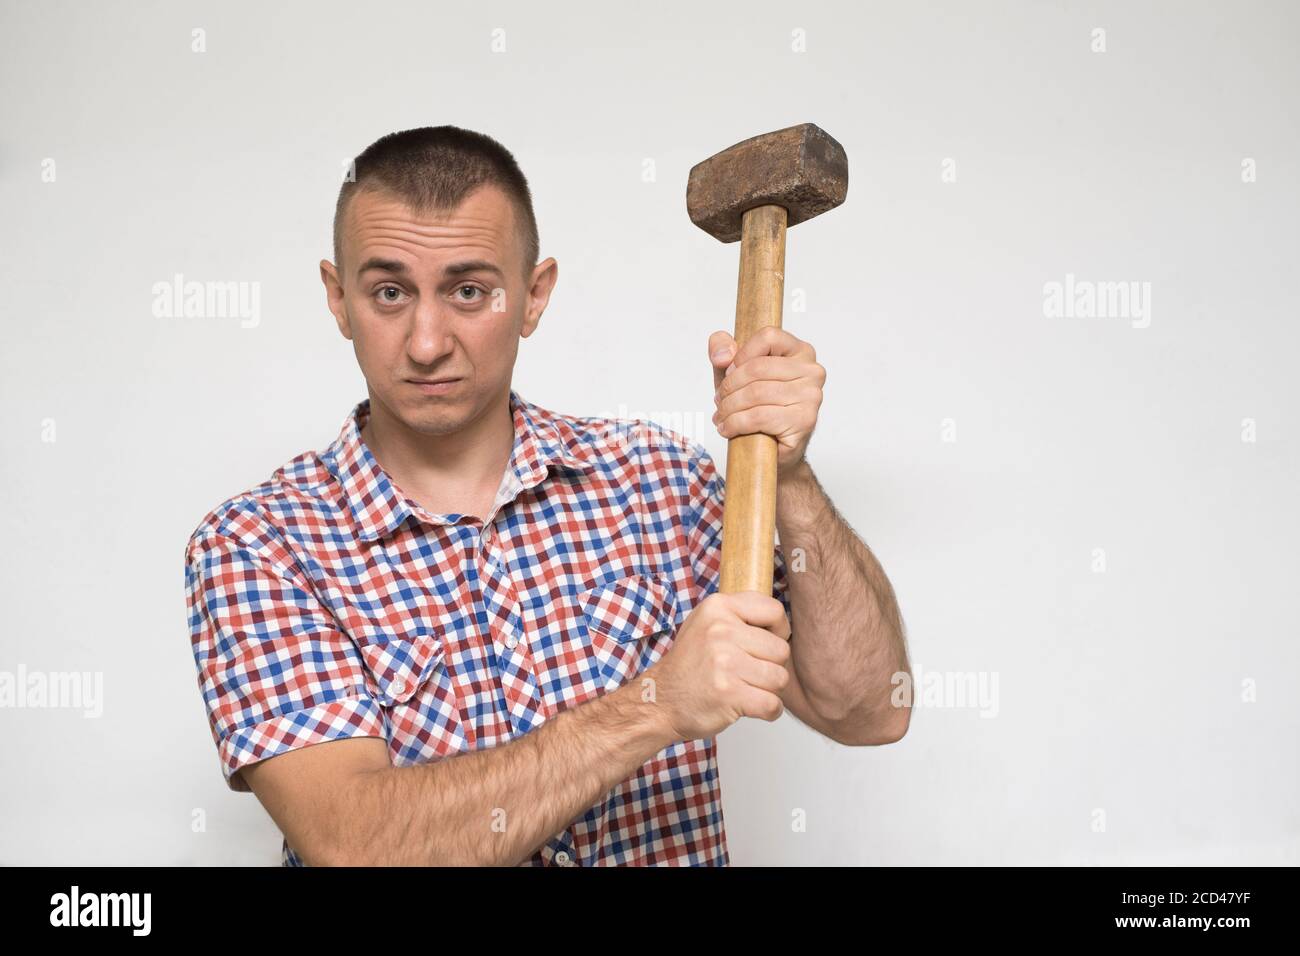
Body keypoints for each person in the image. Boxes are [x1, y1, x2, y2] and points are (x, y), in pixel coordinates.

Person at [183, 125, 910, 867]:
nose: (427, 341)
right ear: (338, 299)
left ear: (534, 297)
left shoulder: (658, 481)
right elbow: (356, 846)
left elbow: (872, 708)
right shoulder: (259, 546)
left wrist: (789, 478)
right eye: (390, 292)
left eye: (469, 291)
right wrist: (655, 703)